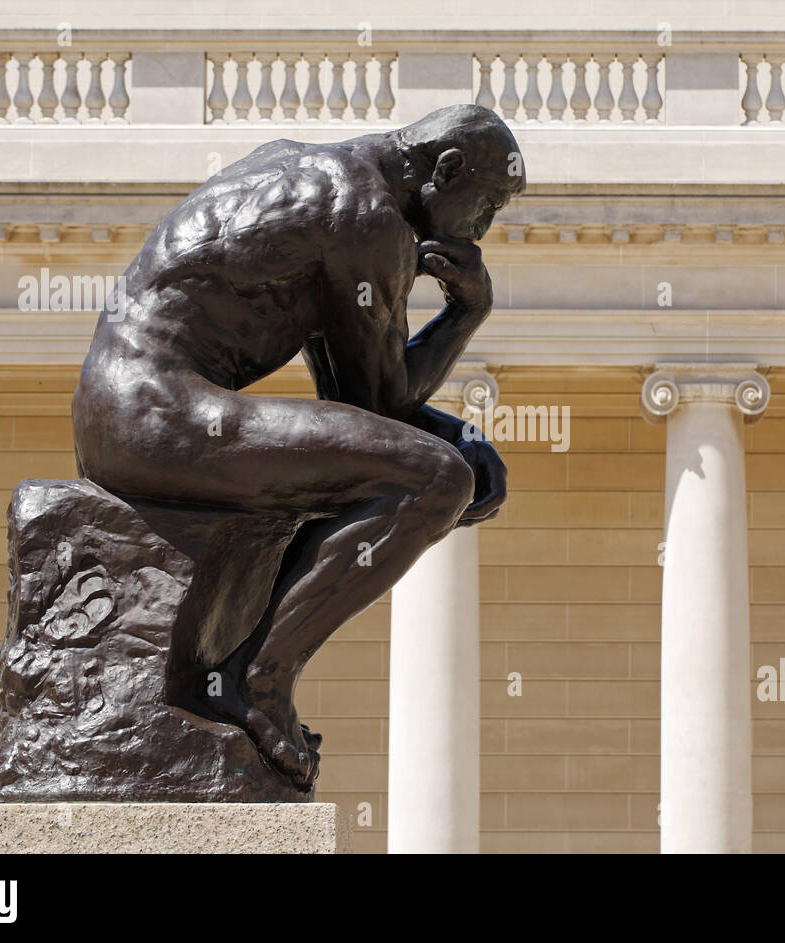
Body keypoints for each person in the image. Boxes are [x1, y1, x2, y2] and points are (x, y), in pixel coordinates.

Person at [71, 104, 526, 788]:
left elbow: (354, 399)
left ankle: (245, 671)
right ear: (447, 170)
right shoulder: (367, 214)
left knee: (435, 464)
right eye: (488, 203)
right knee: (436, 480)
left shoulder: (307, 168)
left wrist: (455, 435)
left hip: (121, 410)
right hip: (158, 412)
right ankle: (262, 679)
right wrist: (467, 313)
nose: (485, 228)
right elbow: (381, 404)